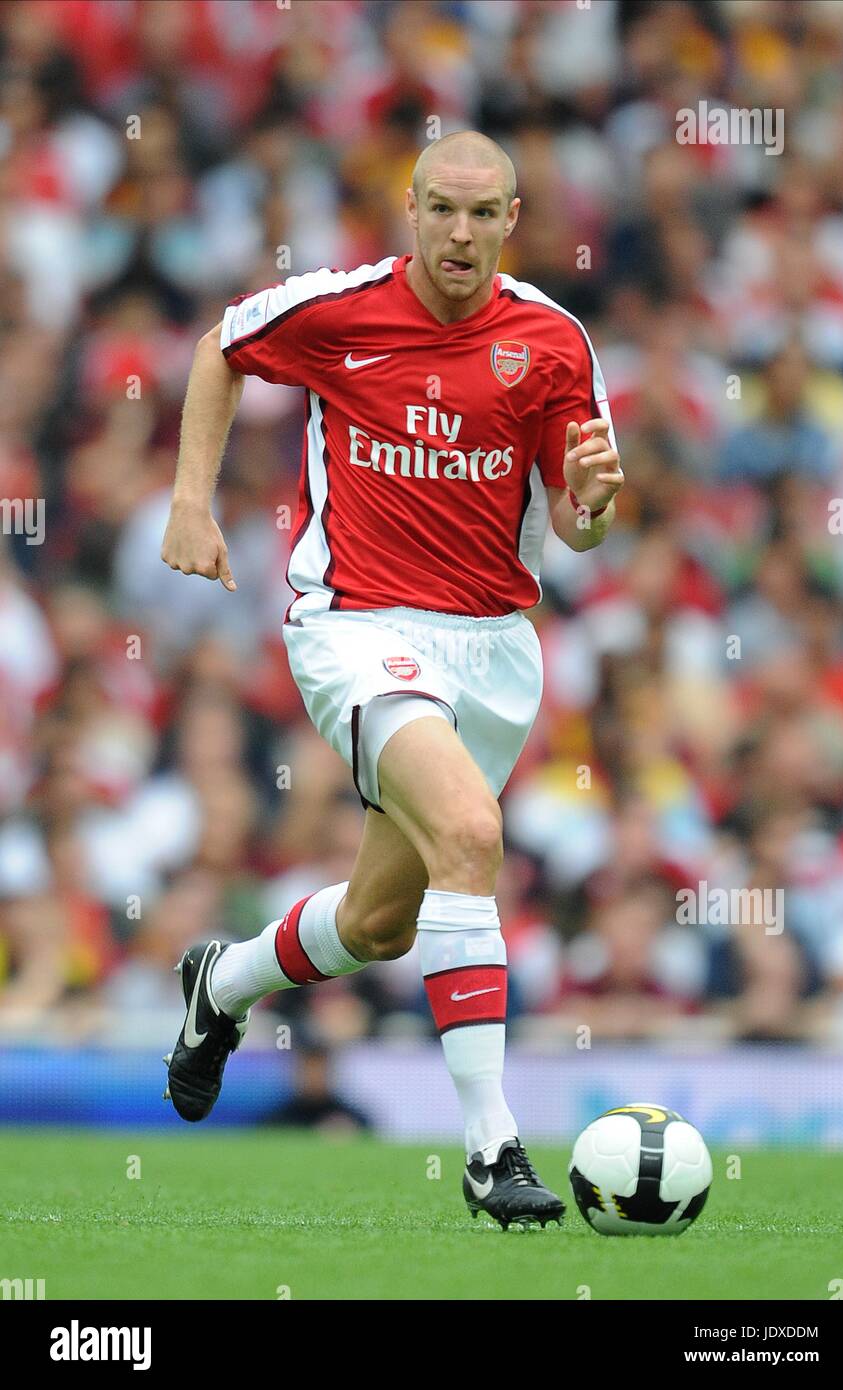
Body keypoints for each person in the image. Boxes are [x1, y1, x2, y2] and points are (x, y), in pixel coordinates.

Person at [160, 130, 623, 1230]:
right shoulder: (341, 309)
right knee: (468, 831)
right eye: (441, 210)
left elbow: (575, 520)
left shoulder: (552, 343)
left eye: (483, 214)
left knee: (377, 923)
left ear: (512, 222)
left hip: (493, 645)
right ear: (408, 209)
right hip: (357, 625)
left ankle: (218, 986)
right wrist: (191, 498)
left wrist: (596, 504)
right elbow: (219, 347)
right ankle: (490, 1150)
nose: (459, 232)